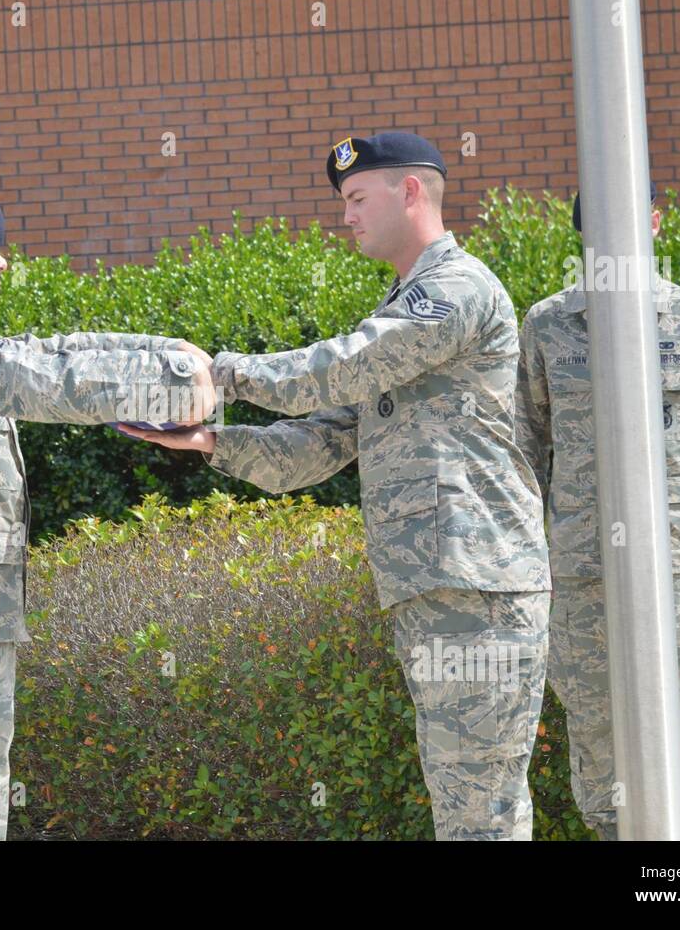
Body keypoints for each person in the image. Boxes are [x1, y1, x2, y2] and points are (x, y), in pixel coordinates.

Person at [120, 132, 552, 840]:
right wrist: (211, 442)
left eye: (356, 198)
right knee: (464, 801)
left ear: (409, 191)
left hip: (481, 588)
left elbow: (343, 368)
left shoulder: (454, 292)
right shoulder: (404, 303)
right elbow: (321, 441)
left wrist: (220, 372)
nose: (344, 216)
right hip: (438, 587)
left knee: (483, 809)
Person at [0, 192, 214, 839]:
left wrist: (170, 351)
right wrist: (166, 381)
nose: (2, 262)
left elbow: (52, 350)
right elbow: (43, 380)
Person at [514, 187, 680, 839]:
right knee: (597, 731)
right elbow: (522, 445)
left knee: (675, 726)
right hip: (581, 570)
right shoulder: (546, 325)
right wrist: (525, 551)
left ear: (655, 222)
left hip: (672, 566)